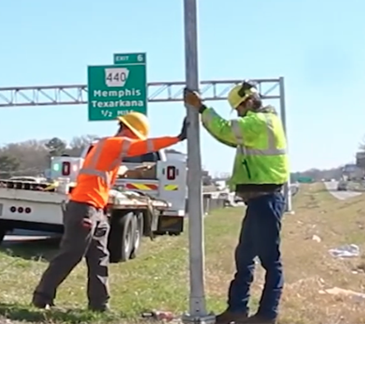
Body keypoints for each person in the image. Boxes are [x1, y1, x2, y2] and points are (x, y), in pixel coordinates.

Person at [32, 111, 187, 312]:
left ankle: (99, 305)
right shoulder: (113, 143)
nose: (136, 143)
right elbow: (142, 146)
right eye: (136, 137)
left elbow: (111, 168)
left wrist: (130, 170)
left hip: (96, 209)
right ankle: (42, 297)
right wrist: (177, 138)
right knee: (71, 254)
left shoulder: (108, 149)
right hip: (83, 208)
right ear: (128, 130)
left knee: (99, 256)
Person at [184, 81, 289, 325]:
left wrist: (201, 108)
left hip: (266, 200)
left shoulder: (260, 122)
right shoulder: (257, 125)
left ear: (249, 102)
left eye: (239, 109)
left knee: (270, 261)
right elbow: (229, 137)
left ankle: (266, 316)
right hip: (258, 203)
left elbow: (226, 129)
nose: (239, 114)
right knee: (244, 257)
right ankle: (237, 310)